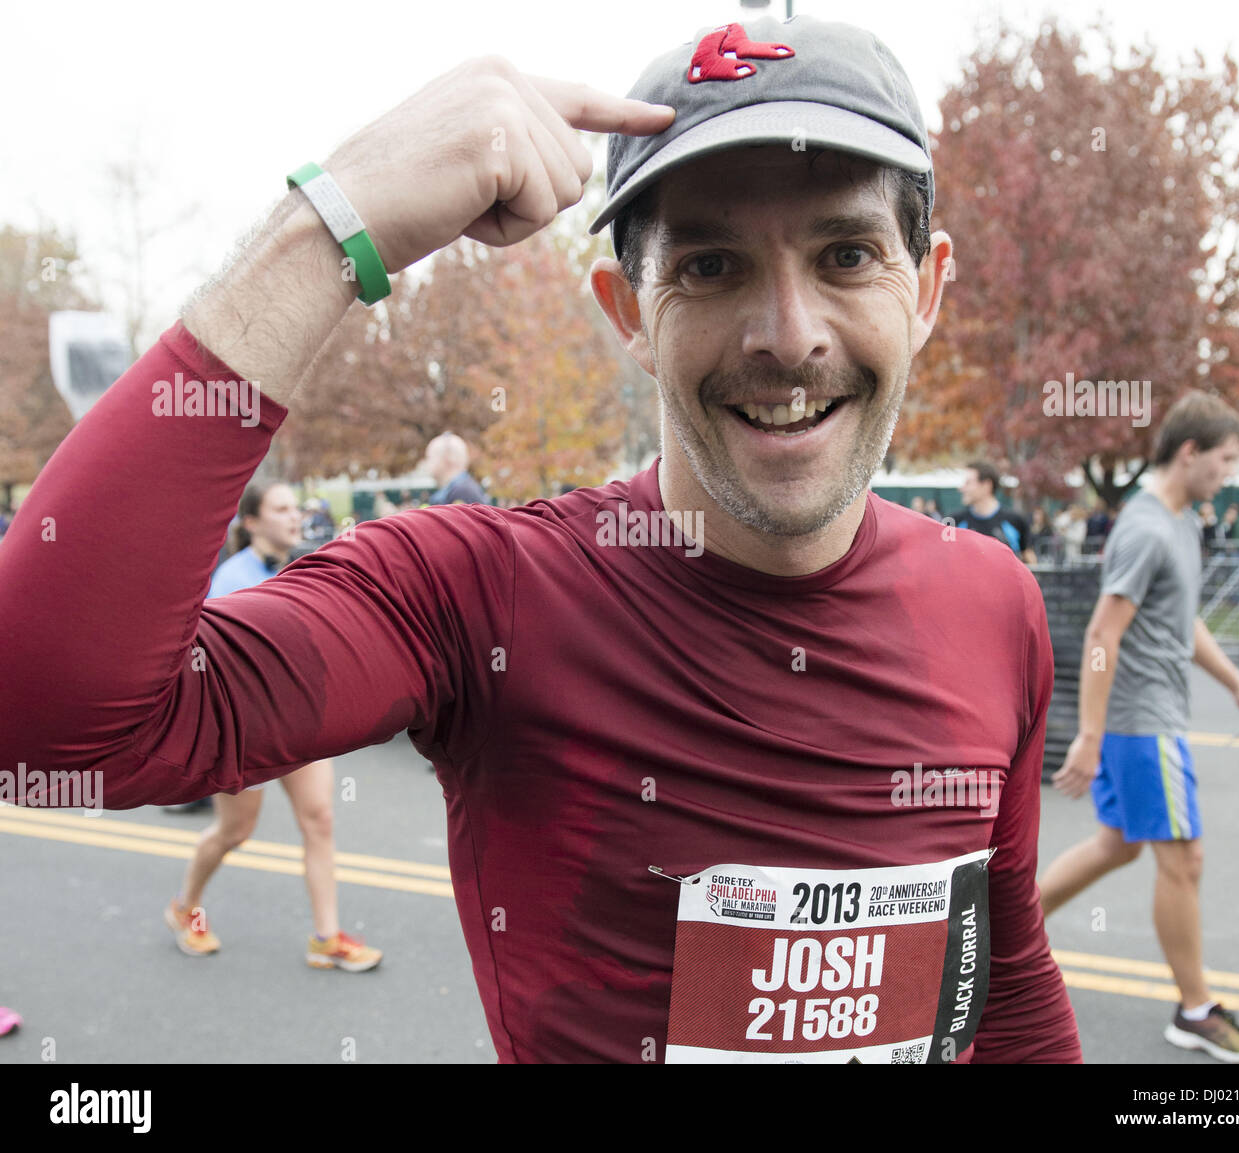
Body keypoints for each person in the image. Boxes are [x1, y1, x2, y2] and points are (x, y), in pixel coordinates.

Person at [1, 17, 1080, 1062]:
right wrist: (330, 221)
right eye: (710, 267)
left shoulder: (993, 600)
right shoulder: (481, 595)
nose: (786, 335)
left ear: (928, 288)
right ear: (626, 309)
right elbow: (45, 729)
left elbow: (1009, 972)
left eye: (845, 255)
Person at [1039, 392, 1239, 1063]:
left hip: (1150, 718)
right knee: (1184, 859)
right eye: (1227, 459)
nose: (1232, 473)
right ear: (1190, 451)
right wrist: (1089, 734)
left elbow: (1183, 623)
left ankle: (1002, 934)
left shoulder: (1180, 522)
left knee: (1117, 844)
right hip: (1142, 723)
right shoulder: (1146, 528)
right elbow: (1100, 633)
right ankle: (1196, 1011)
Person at [164, 481, 382, 973]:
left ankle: (325, 937)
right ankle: (185, 908)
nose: (293, 517)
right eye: (281, 509)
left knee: (319, 820)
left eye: (295, 508)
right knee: (235, 832)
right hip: (245, 732)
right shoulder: (227, 580)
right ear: (252, 521)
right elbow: (205, 666)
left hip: (302, 724)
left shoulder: (308, 565)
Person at [952, 461, 1037, 562]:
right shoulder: (953, 521)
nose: (961, 488)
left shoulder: (1015, 521)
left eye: (968, 483)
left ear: (986, 485)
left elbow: (1030, 562)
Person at [422, 432, 489, 505]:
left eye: (429, 457)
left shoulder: (462, 491)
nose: (426, 463)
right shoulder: (460, 489)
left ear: (447, 457)